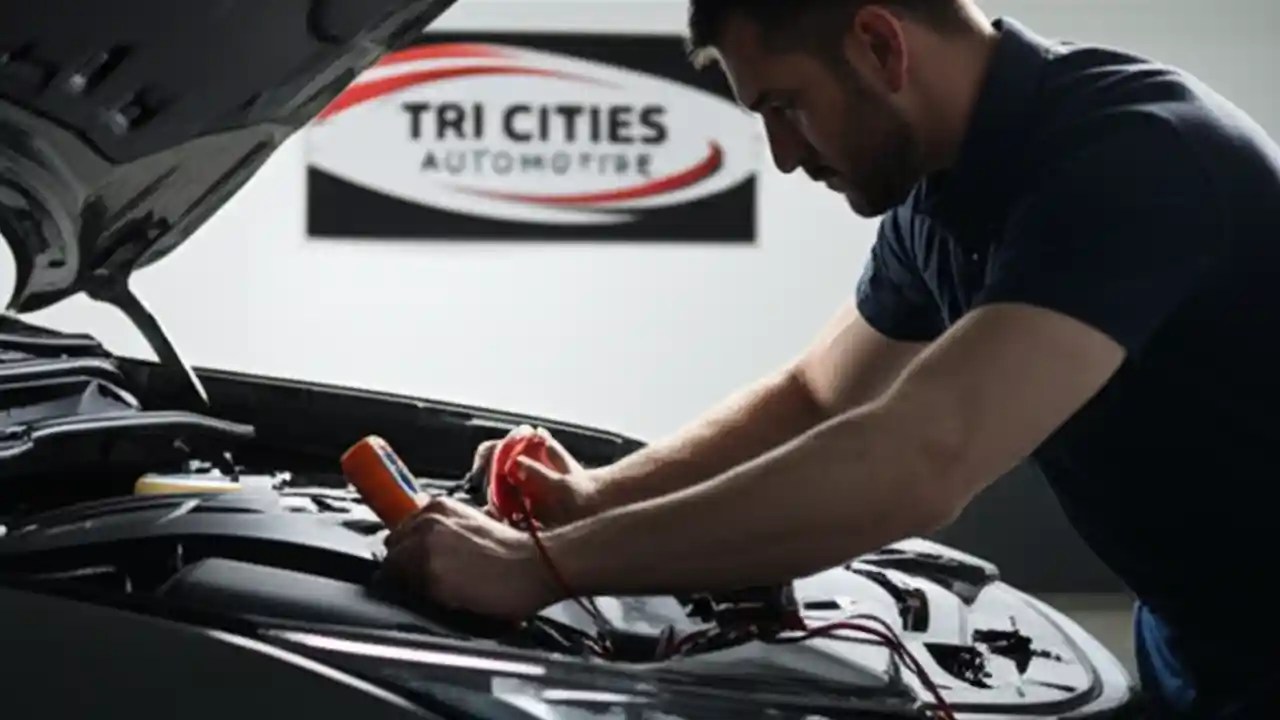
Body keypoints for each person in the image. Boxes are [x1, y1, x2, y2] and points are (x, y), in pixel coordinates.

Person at [380, 1, 1280, 716]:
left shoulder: (1136, 158)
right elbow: (818, 396)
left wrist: (546, 568)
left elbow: (922, 456)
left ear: (880, 45)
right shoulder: (939, 196)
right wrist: (595, 497)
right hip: (1197, 638)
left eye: (783, 106)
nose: (779, 155)